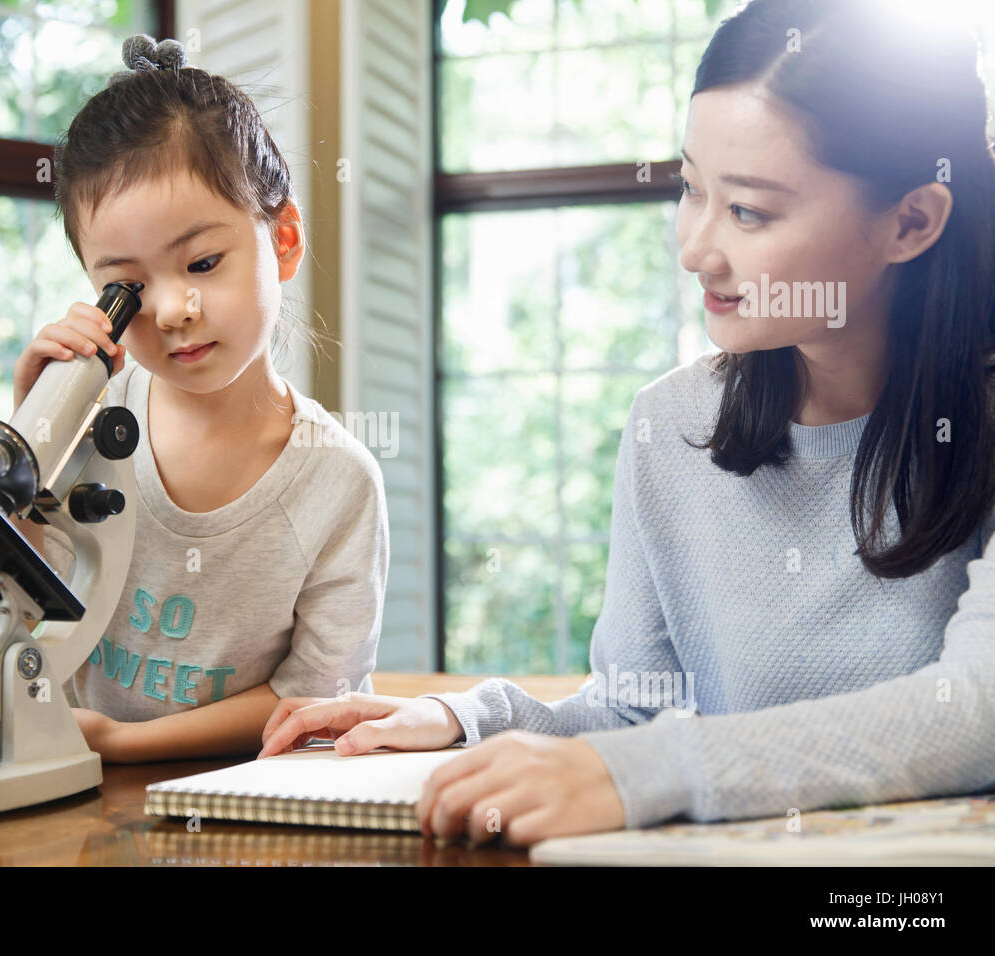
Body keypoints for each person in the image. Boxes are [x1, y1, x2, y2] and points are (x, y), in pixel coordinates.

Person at [260, 0, 995, 845]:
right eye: (691, 189)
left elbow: (976, 710)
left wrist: (652, 772)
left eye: (750, 211)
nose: (695, 247)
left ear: (911, 222)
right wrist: (465, 720)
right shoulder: (672, 422)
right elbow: (633, 705)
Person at [10, 35, 389, 763]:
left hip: (243, 806)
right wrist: (32, 444)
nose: (175, 310)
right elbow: (20, 610)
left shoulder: (337, 483)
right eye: (130, 287)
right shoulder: (89, 421)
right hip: (77, 797)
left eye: (203, 263)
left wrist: (127, 742)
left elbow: (313, 698)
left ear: (283, 238)